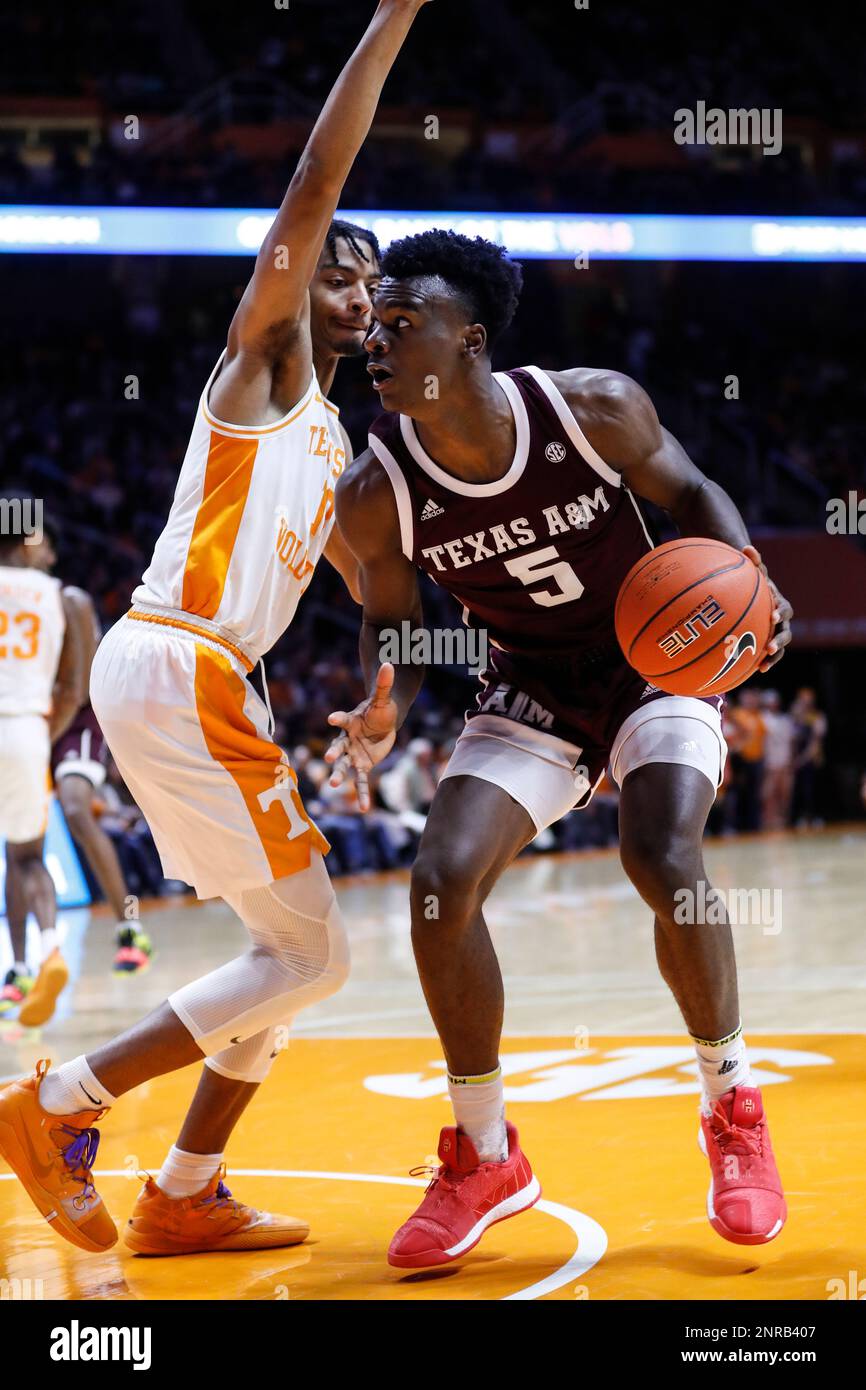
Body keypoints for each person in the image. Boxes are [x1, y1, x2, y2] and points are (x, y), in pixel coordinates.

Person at [0, 0, 432, 1260]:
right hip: (178, 658)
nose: (356, 289)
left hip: (197, 679)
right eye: (340, 268)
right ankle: (53, 1105)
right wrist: (395, 14)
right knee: (316, 955)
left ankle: (186, 1189)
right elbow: (317, 175)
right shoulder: (270, 360)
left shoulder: (339, 443)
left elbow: (377, 577)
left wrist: (387, 685)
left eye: (372, 281)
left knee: (280, 957)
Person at [326, 228, 794, 1266]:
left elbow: (691, 497)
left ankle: (730, 1107)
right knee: (440, 876)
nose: (377, 341)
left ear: (471, 338)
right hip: (530, 683)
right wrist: (380, 700)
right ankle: (485, 1153)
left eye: (403, 325)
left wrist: (745, 579)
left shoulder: (591, 408)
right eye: (373, 326)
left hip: (650, 665)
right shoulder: (375, 489)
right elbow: (391, 618)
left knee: (658, 849)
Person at [0, 509, 85, 1026]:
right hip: (27, 729)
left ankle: (17, 972)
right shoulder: (62, 597)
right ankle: (49, 947)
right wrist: (41, 736)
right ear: (31, 540)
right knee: (27, 854)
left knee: (15, 852)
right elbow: (74, 690)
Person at [790, 687, 827, 827]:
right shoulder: (797, 718)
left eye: (807, 701)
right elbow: (793, 738)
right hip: (799, 760)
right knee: (800, 790)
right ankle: (802, 817)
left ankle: (816, 816)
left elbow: (816, 742)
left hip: (811, 759)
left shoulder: (817, 716)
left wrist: (802, 759)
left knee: (813, 790)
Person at [760, 690, 795, 830]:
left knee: (785, 792)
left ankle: (783, 819)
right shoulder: (763, 718)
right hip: (770, 762)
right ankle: (769, 819)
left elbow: (791, 742)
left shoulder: (786, 720)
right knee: (769, 793)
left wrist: (791, 760)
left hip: (784, 761)